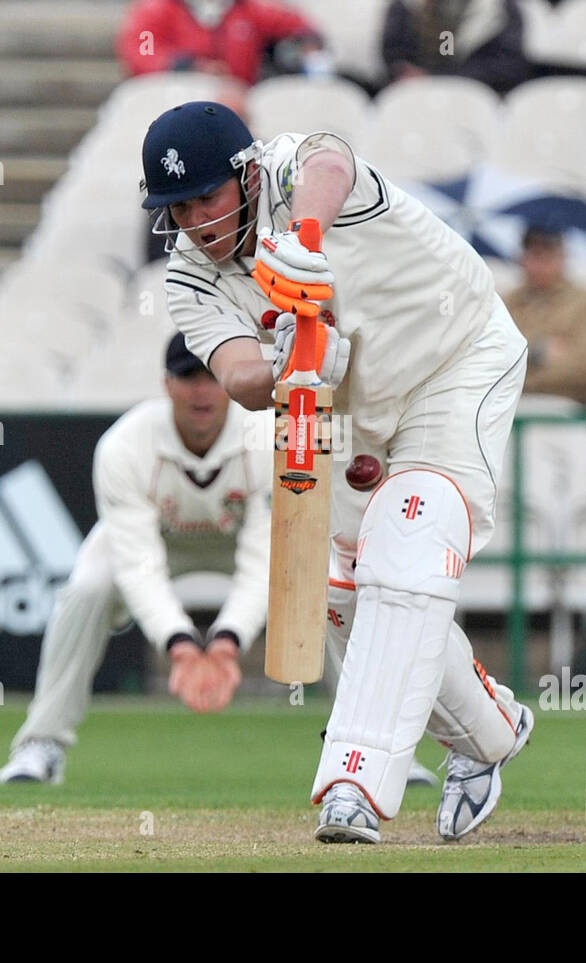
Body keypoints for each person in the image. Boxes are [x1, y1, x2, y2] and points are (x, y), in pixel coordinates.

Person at [138, 101, 535, 843]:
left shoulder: (294, 169)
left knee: (414, 536)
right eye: (178, 207)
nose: (195, 221)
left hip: (456, 356)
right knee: (348, 589)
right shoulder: (191, 280)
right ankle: (489, 733)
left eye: (206, 198)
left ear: (247, 174)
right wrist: (285, 356)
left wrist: (304, 242)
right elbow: (240, 377)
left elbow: (331, 160)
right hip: (346, 405)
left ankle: (355, 780)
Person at [0, 334, 269, 784]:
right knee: (87, 588)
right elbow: (139, 564)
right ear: (166, 385)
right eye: (188, 378)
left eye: (212, 378)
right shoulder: (124, 445)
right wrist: (180, 644)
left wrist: (226, 641)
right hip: (153, 544)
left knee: (329, 583)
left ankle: (367, 750)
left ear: (231, 386)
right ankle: (41, 743)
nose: (201, 392)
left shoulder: (266, 437)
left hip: (236, 545)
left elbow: (264, 561)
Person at [380, 0, 586, 94]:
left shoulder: (499, 11)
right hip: (416, 100)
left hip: (484, 100)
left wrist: (433, 78)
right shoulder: (406, 9)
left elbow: (506, 68)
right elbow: (393, 57)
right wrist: (407, 73)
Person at [501, 223, 586, 407]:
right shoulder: (505, 304)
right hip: (513, 409)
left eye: (548, 255)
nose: (539, 264)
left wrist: (519, 378)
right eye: (533, 254)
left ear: (562, 258)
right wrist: (539, 352)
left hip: (577, 414)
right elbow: (491, 355)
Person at [117, 0, 326, 88]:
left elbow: (293, 23)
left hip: (239, 100)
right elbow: (141, 52)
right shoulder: (155, 10)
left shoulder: (245, 9)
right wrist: (188, 66)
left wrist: (307, 41)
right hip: (175, 100)